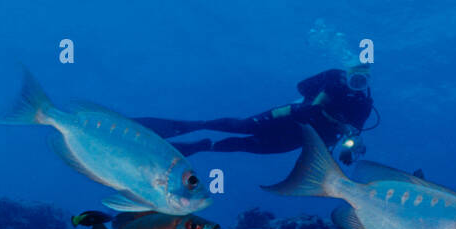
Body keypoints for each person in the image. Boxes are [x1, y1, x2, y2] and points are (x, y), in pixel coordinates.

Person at [136, 65, 374, 162]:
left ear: (367, 83)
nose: (357, 83)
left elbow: (354, 134)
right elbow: (301, 88)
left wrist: (348, 150)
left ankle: (203, 146)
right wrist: (324, 88)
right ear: (348, 74)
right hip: (289, 116)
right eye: (355, 77)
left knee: (252, 146)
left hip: (306, 137)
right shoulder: (333, 80)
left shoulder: (363, 105)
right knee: (243, 126)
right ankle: (196, 125)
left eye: (362, 81)